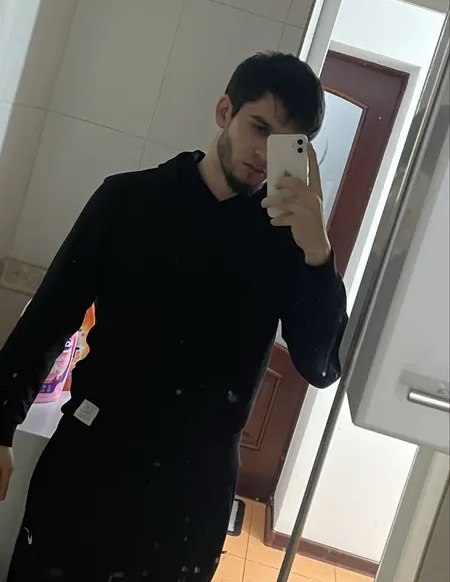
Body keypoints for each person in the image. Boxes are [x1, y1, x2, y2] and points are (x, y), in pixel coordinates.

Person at [0, 52, 347, 582]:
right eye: (259, 127)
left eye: (286, 142)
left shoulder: (286, 244)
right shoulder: (128, 200)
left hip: (191, 497)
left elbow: (320, 365)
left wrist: (318, 254)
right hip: (91, 464)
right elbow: (49, 317)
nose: (263, 153)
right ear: (224, 111)